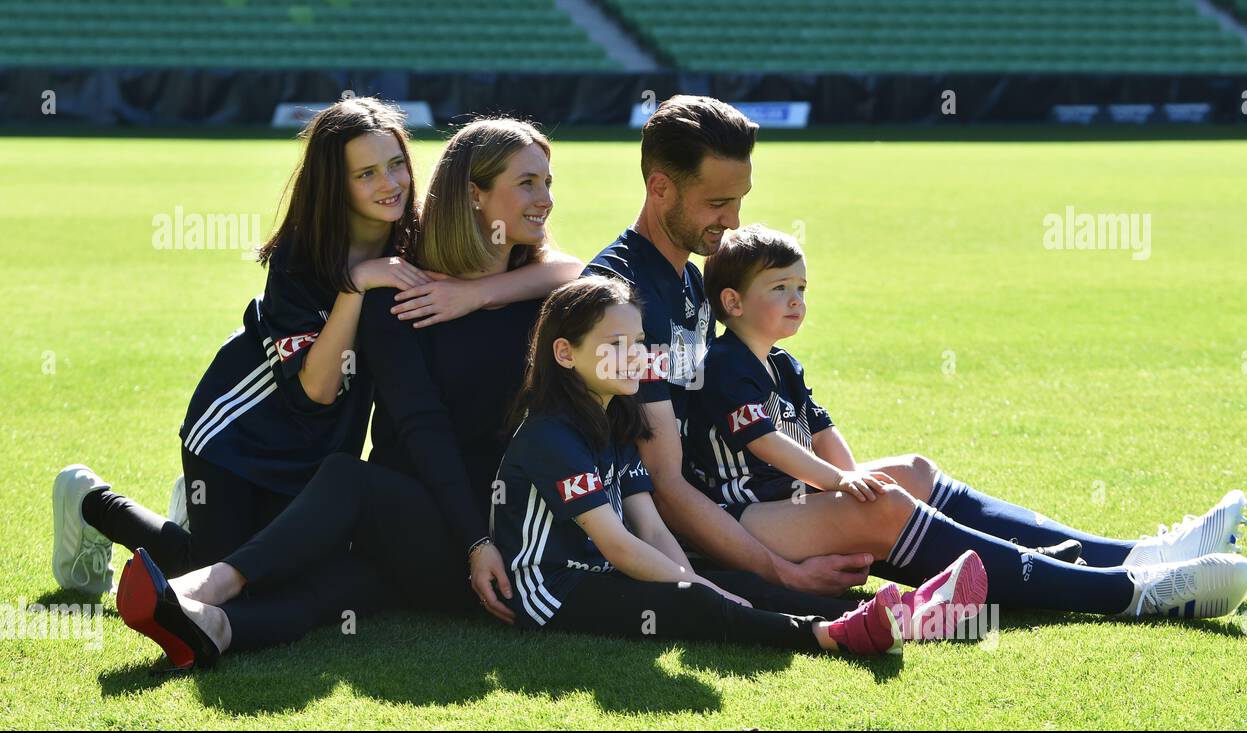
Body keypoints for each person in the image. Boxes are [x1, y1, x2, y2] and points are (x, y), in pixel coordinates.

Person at [114, 117, 582, 668]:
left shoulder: (549, 297)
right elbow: (414, 425)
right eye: (527, 183)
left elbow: (578, 270)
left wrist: (477, 295)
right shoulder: (399, 292)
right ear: (474, 195)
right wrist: (474, 543)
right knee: (335, 586)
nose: (545, 199)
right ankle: (215, 620)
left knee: (344, 514)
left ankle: (209, 588)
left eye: (548, 182)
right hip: (332, 479)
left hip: (489, 543)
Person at [683, 224, 1247, 621]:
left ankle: (1133, 553)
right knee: (882, 502)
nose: (796, 300)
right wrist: (840, 489)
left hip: (788, 505)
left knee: (910, 472)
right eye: (778, 288)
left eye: (801, 288)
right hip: (743, 522)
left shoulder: (780, 361)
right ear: (732, 302)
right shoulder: (727, 364)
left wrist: (849, 483)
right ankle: (1133, 592)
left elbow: (824, 432)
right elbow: (767, 442)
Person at [490, 275, 989, 654]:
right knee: (696, 600)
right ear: (564, 353)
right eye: (614, 345)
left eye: (638, 342)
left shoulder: (615, 417)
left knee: (731, 583)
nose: (633, 356)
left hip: (600, 570)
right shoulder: (550, 435)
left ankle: (902, 615)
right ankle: (830, 636)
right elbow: (619, 544)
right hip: (552, 591)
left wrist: (694, 577)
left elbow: (649, 524)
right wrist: (694, 588)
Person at [53, 96, 428, 592]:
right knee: (213, 576)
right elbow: (316, 388)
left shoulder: (416, 241)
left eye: (396, 164)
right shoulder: (301, 256)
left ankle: (198, 508)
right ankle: (90, 502)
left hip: (320, 448)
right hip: (239, 433)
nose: (390, 183)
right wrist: (355, 284)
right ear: (334, 185)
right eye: (366, 174)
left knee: (285, 572)